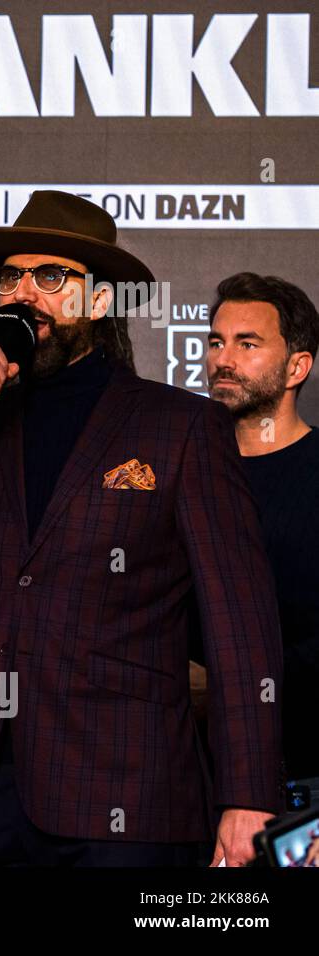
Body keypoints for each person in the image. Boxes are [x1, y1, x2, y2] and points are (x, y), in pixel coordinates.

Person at [0, 190, 285, 866]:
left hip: (120, 795)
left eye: (51, 277)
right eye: (10, 277)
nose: (23, 293)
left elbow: (240, 628)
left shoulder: (180, 428)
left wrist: (249, 794)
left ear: (100, 301)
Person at [205, 272, 319, 783]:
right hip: (190, 774)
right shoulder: (188, 473)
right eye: (216, 342)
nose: (223, 360)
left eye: (247, 344)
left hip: (305, 774)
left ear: (298, 366)